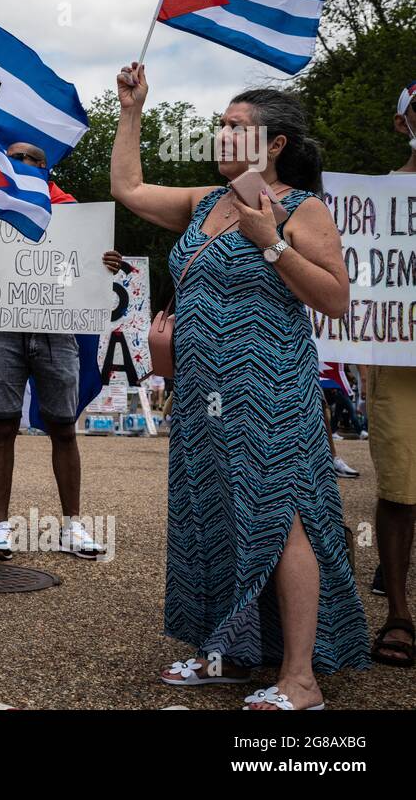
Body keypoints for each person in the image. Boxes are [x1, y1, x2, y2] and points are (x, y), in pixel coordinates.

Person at [111, 61, 370, 709]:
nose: (219, 135)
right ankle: (227, 650)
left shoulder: (299, 208)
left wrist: (271, 243)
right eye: (219, 125)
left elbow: (336, 299)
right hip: (201, 397)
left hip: (271, 391)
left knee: (281, 523)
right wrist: (132, 110)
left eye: (234, 127)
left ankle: (301, 679)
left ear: (273, 145)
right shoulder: (204, 202)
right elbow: (129, 187)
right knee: (212, 517)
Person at [0, 145, 120, 563]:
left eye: (29, 158)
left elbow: (78, 269)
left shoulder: (72, 212)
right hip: (5, 328)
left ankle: (72, 525)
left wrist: (104, 264)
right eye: (13, 157)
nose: (20, 163)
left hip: (58, 331)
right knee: (3, 426)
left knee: (63, 427)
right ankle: (2, 524)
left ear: (45, 168)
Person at [363, 82, 416, 668]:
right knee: (401, 488)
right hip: (400, 361)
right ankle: (399, 612)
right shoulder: (376, 199)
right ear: (402, 123)